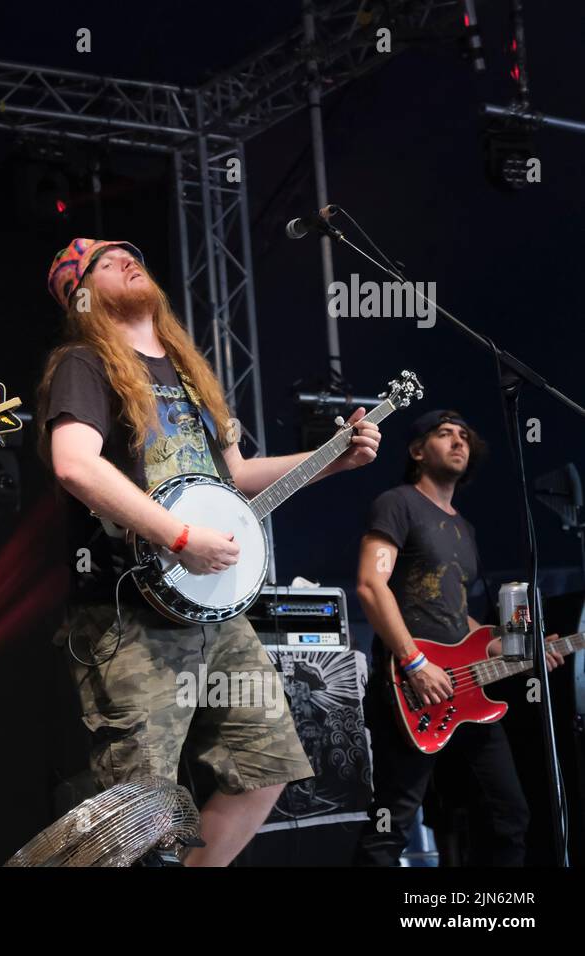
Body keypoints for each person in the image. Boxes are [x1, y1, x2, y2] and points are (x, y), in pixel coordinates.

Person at [37, 238, 381, 865]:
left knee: (269, 761)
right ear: (80, 294)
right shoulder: (84, 363)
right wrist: (179, 537)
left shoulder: (191, 371)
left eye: (129, 254)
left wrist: (334, 459)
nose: (125, 260)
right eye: (103, 263)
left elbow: (239, 475)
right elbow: (74, 463)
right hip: (129, 617)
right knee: (139, 814)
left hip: (214, 613)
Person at [352, 409, 563, 866]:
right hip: (410, 684)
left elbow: (458, 615)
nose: (458, 442)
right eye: (444, 434)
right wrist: (412, 662)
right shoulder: (398, 503)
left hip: (464, 689)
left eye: (464, 435)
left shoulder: (465, 528)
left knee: (511, 815)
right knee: (394, 820)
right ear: (416, 451)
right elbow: (371, 583)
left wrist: (522, 651)